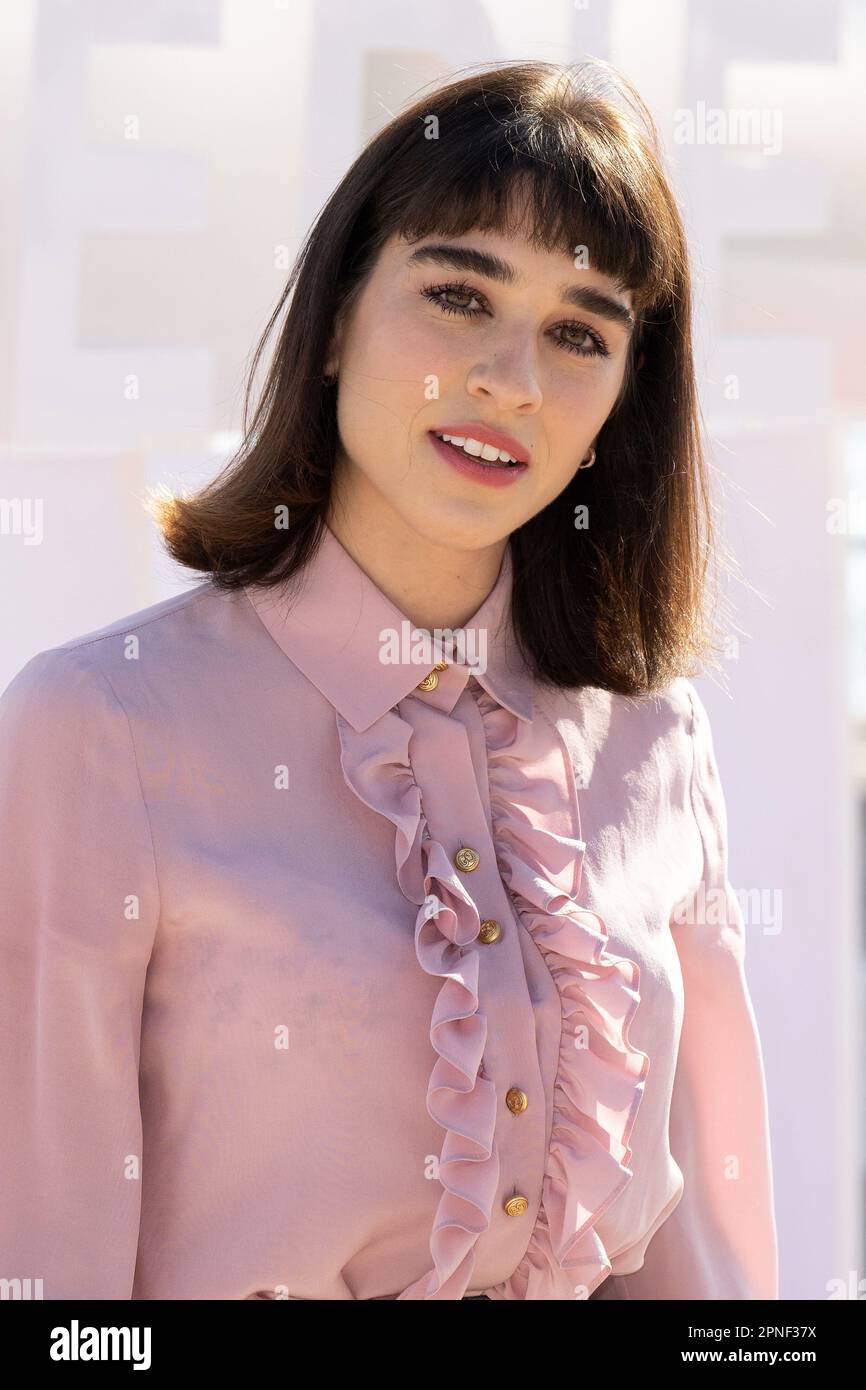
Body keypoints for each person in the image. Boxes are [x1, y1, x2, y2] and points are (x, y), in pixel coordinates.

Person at [0, 58, 777, 1301]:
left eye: (581, 329)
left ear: (618, 407)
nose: (512, 379)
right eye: (459, 295)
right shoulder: (101, 727)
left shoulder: (657, 745)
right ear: (331, 325)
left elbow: (709, 1278)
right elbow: (47, 1283)